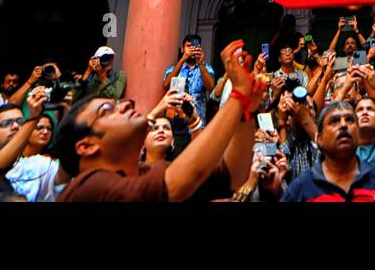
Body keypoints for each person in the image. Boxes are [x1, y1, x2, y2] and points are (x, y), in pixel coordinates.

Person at [54, 40, 262, 201]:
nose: (126, 104)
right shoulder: (87, 187)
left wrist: (247, 112)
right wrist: (239, 96)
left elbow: (234, 174)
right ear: (87, 146)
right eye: (107, 110)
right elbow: (182, 181)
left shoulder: (149, 171)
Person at [282, 101, 375, 201]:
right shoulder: (300, 189)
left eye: (350, 120)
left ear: (358, 133)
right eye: (334, 121)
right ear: (319, 139)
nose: (343, 125)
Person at [164, 35, 215, 122]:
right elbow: (166, 86)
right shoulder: (174, 68)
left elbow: (210, 88)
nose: (192, 49)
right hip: (175, 119)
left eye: (195, 47)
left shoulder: (206, 68)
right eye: (189, 46)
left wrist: (201, 64)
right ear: (182, 49)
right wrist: (182, 60)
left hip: (198, 118)